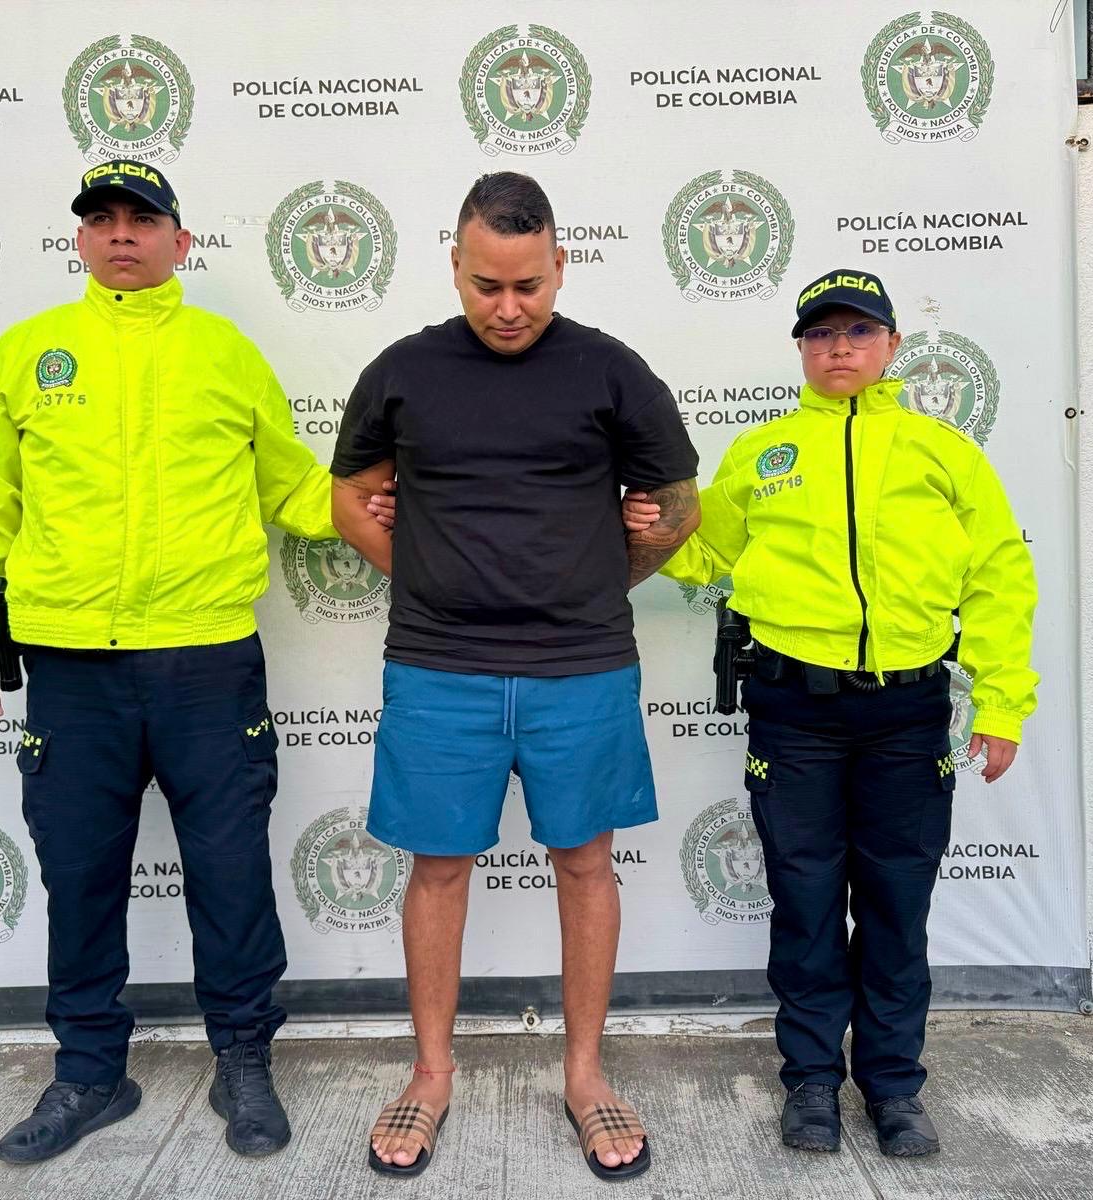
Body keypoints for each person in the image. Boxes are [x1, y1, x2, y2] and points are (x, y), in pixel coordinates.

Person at [0, 160, 391, 1164]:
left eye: (142, 218)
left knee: (229, 873)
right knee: (79, 874)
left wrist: (381, 496)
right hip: (71, 672)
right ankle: (90, 1073)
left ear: (182, 241)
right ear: (81, 242)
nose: (121, 234)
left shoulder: (223, 354)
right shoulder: (25, 356)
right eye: (101, 220)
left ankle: (242, 1061)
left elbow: (293, 491)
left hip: (205, 665)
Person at [332, 172, 700, 1181]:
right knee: (437, 869)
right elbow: (351, 496)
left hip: (578, 668)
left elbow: (672, 504)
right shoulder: (403, 371)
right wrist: (434, 576)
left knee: (583, 863)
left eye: (527, 286)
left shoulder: (610, 371)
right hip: (437, 668)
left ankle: (583, 1076)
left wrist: (592, 577)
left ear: (558, 265)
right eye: (486, 285)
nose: (506, 308)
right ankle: (429, 1075)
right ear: (454, 264)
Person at [626, 268, 1037, 1158]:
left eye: (857, 332)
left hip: (907, 712)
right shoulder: (763, 453)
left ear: (891, 346)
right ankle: (811, 1081)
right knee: (805, 903)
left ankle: (894, 1087)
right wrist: (643, 527)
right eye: (819, 335)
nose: (837, 348)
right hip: (794, 711)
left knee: (896, 906)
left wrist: (1002, 702)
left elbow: (1001, 580)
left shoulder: (944, 454)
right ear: (801, 350)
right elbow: (706, 553)